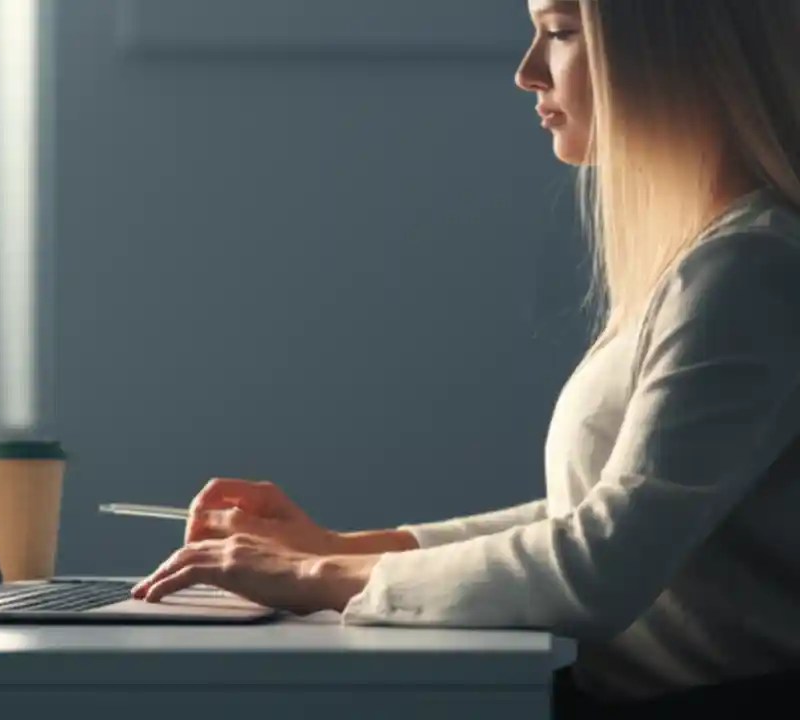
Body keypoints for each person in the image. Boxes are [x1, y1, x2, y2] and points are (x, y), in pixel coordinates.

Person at [130, 0, 800, 715]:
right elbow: (588, 513)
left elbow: (598, 566)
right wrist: (339, 549)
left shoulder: (748, 269)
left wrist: (315, 575)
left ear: (673, 49)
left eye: (560, 32)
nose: (527, 72)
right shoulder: (720, 257)